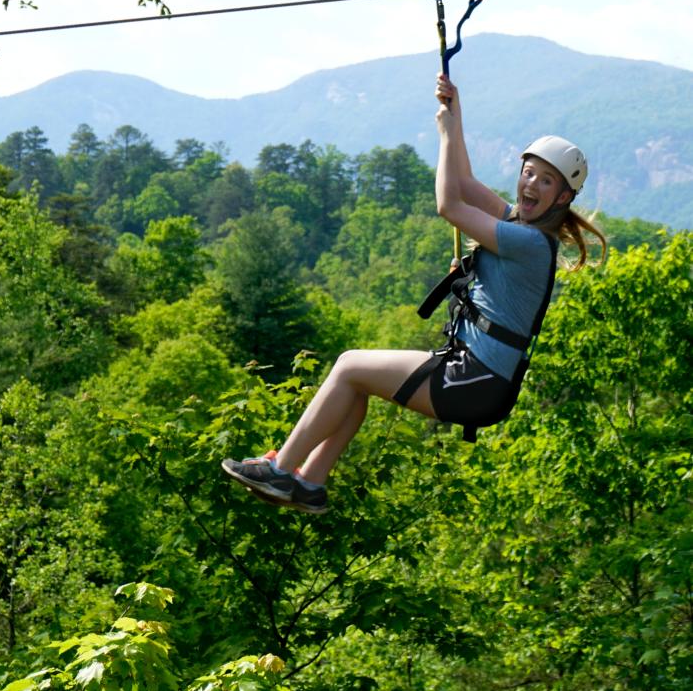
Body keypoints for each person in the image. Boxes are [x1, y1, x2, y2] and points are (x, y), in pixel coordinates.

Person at [221, 72, 606, 514]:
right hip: (478, 377)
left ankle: (281, 469)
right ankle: (310, 482)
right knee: (356, 381)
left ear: (563, 198)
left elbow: (449, 204)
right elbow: (464, 183)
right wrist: (454, 117)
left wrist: (443, 134)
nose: (531, 185)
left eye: (545, 181)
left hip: (474, 378)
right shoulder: (519, 224)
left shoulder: (530, 242)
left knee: (348, 366)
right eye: (528, 173)